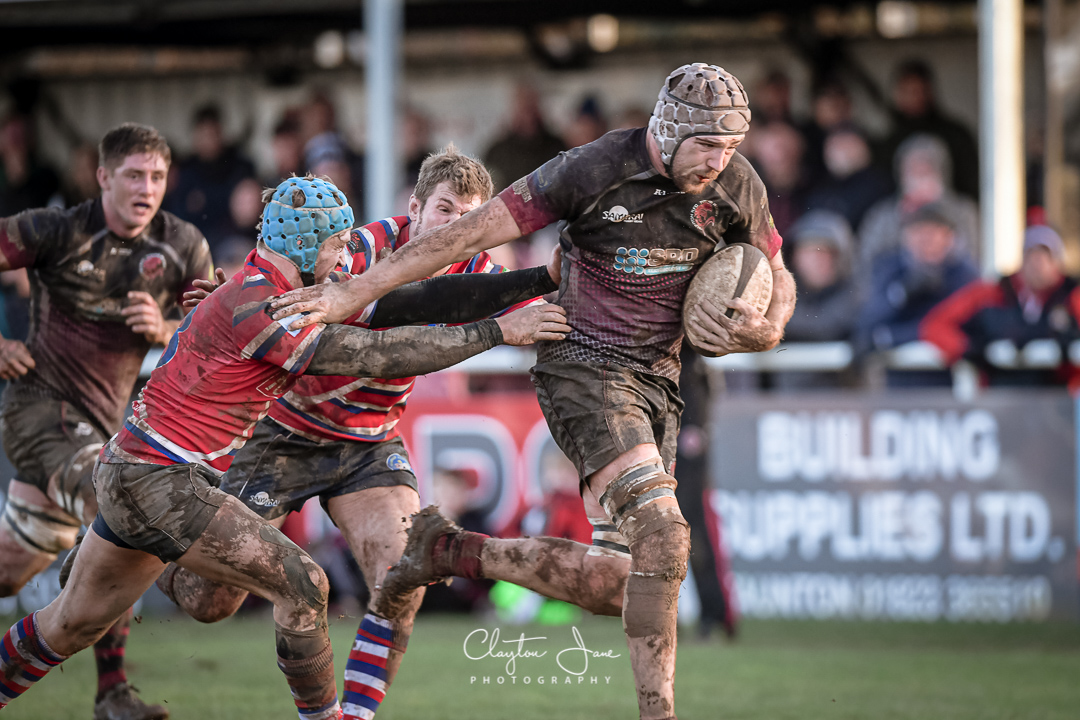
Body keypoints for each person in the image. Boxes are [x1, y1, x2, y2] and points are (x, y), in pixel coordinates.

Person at [267, 63, 797, 720]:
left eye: (730, 146)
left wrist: (768, 327)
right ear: (667, 128)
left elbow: (777, 271)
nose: (719, 161)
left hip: (659, 384)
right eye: (707, 145)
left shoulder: (737, 183)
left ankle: (450, 549)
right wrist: (349, 292)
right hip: (586, 370)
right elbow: (464, 238)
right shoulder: (590, 169)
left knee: (618, 584)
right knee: (665, 534)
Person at [0, 174, 570, 718]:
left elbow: (409, 305)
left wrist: (542, 280)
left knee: (66, 625)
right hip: (170, 478)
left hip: (140, 471)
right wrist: (494, 332)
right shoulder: (277, 308)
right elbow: (381, 352)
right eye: (336, 246)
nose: (344, 263)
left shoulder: (266, 287)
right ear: (306, 245)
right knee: (300, 586)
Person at [153, 146, 553, 720]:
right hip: (285, 433)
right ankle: (155, 550)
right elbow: (307, 296)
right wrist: (230, 299)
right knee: (209, 603)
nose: (455, 228)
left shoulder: (481, 274)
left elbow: (548, 308)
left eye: (470, 217)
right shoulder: (360, 249)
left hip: (368, 443)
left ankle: (355, 717)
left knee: (403, 580)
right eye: (444, 210)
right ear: (414, 208)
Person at [0, 122, 211, 720]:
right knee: (121, 509)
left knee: (11, 571)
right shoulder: (58, 230)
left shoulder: (182, 245)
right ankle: (113, 691)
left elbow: (214, 331)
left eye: (157, 176)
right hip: (39, 411)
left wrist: (166, 329)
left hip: (105, 429)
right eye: (133, 175)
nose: (147, 188)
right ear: (102, 178)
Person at [920, 225, 1080, 387]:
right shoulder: (992, 293)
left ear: (1058, 262)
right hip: (999, 391)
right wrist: (968, 349)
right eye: (1032, 256)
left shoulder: (1072, 297)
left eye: (1046, 257)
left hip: (1061, 393)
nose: (1038, 264)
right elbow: (935, 324)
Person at [855, 202, 978, 386]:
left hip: (952, 383)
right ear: (905, 238)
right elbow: (867, 324)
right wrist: (901, 293)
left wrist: (894, 337)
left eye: (932, 233)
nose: (925, 240)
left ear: (949, 237)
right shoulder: (889, 269)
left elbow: (969, 332)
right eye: (917, 232)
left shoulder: (965, 275)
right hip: (900, 385)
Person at [773, 210, 861, 390]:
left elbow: (828, 326)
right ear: (794, 257)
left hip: (845, 398)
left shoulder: (857, 295)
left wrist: (775, 321)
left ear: (842, 257)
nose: (817, 261)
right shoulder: (780, 294)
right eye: (809, 252)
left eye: (825, 252)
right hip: (787, 400)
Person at [880, 59, 980, 200]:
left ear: (928, 92)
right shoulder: (890, 142)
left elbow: (971, 185)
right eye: (905, 91)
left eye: (916, 91)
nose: (911, 98)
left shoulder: (955, 135)